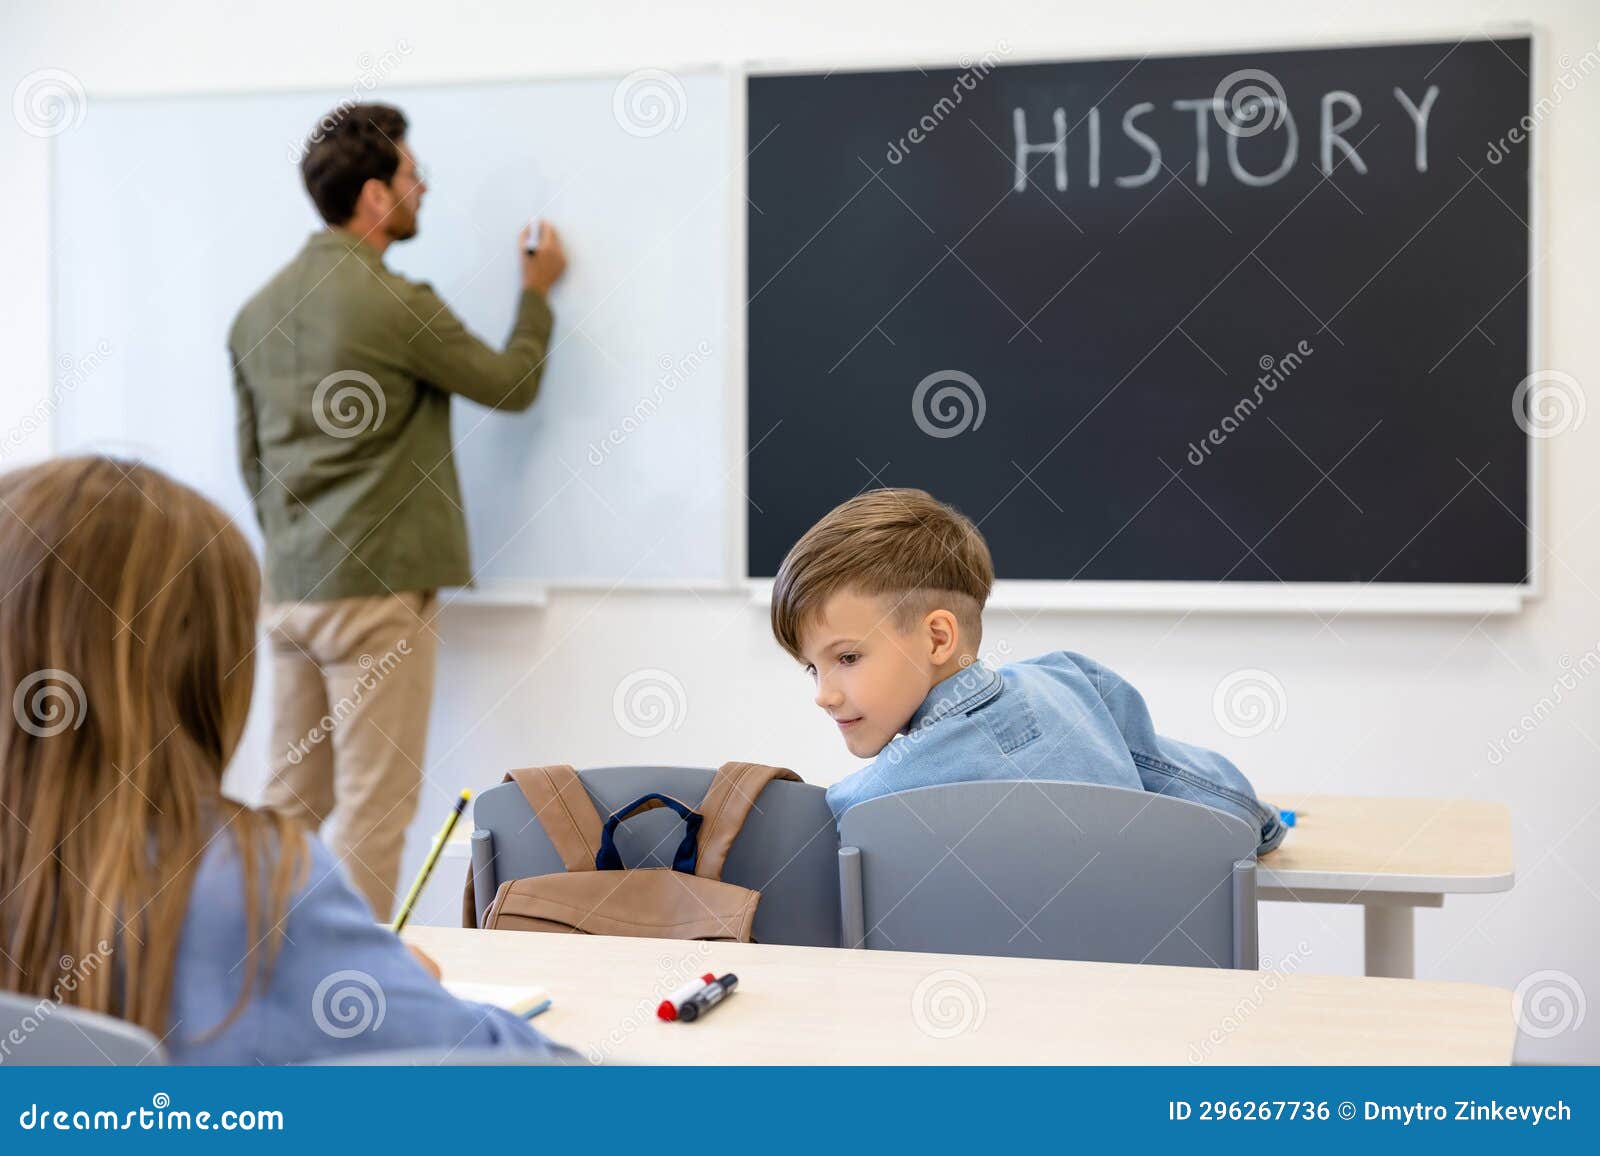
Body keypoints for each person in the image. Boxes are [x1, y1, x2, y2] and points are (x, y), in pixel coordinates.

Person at [0, 456, 571, 1063]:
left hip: (301, 576)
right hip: (373, 583)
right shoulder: (248, 888)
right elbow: (549, 1086)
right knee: (373, 802)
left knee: (310, 795)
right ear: (210, 670)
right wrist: (373, 974)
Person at [229, 102, 568, 918]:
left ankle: (261, 978)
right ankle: (358, 1007)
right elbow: (511, 384)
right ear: (377, 196)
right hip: (376, 595)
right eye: (414, 177)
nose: (422, 192)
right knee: (374, 814)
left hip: (290, 593)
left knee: (286, 809)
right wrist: (536, 293)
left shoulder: (256, 312)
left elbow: (252, 462)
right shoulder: (391, 300)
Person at [770, 487, 1287, 856]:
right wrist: (1264, 824)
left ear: (938, 638)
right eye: (812, 669)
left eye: (847, 658)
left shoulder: (865, 807)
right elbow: (1218, 804)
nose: (824, 694)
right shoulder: (1073, 683)